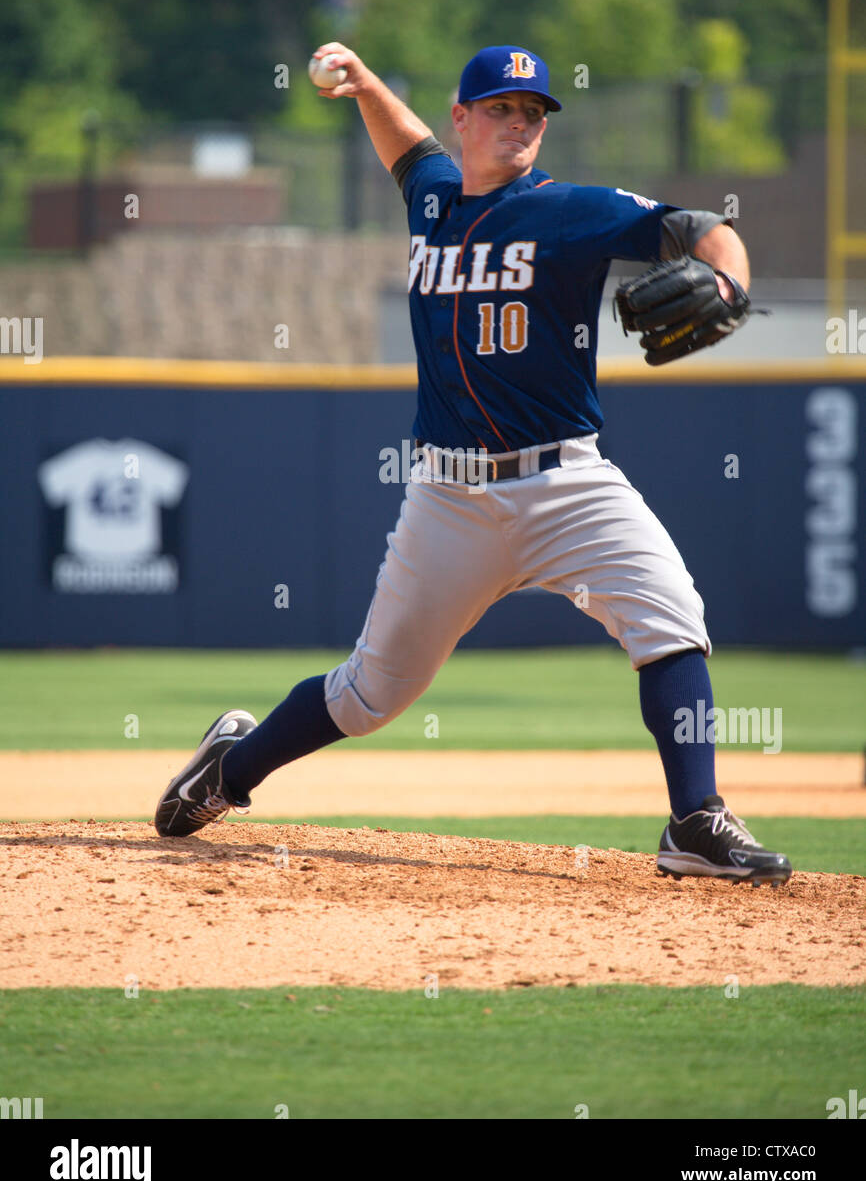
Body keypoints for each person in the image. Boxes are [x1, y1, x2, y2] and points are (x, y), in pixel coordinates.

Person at [155, 43, 791, 888]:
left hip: (567, 482)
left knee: (671, 616)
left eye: (533, 112)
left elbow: (699, 228)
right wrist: (364, 82)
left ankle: (696, 821)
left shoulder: (571, 211)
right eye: (501, 108)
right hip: (449, 499)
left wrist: (731, 282)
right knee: (368, 697)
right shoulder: (431, 199)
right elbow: (406, 147)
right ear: (464, 118)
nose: (520, 123)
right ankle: (226, 774)